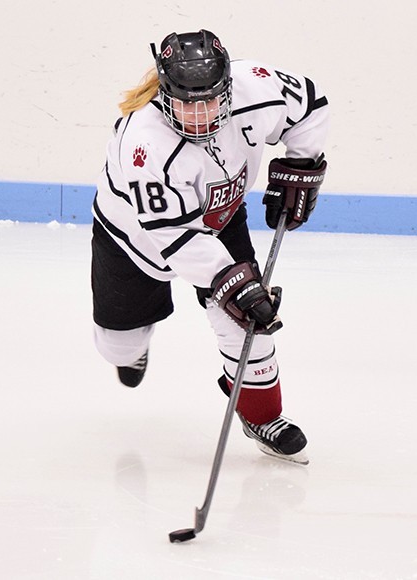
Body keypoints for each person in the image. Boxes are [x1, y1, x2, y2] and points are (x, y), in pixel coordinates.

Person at [89, 29, 328, 464]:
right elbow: (175, 237)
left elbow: (309, 104)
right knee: (118, 347)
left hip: (220, 216)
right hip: (135, 240)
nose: (199, 115)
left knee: (245, 321)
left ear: (228, 88)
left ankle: (262, 416)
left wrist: (301, 163)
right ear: (164, 93)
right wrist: (233, 282)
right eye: (186, 103)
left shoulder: (257, 86)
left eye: (210, 101)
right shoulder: (145, 146)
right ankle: (132, 348)